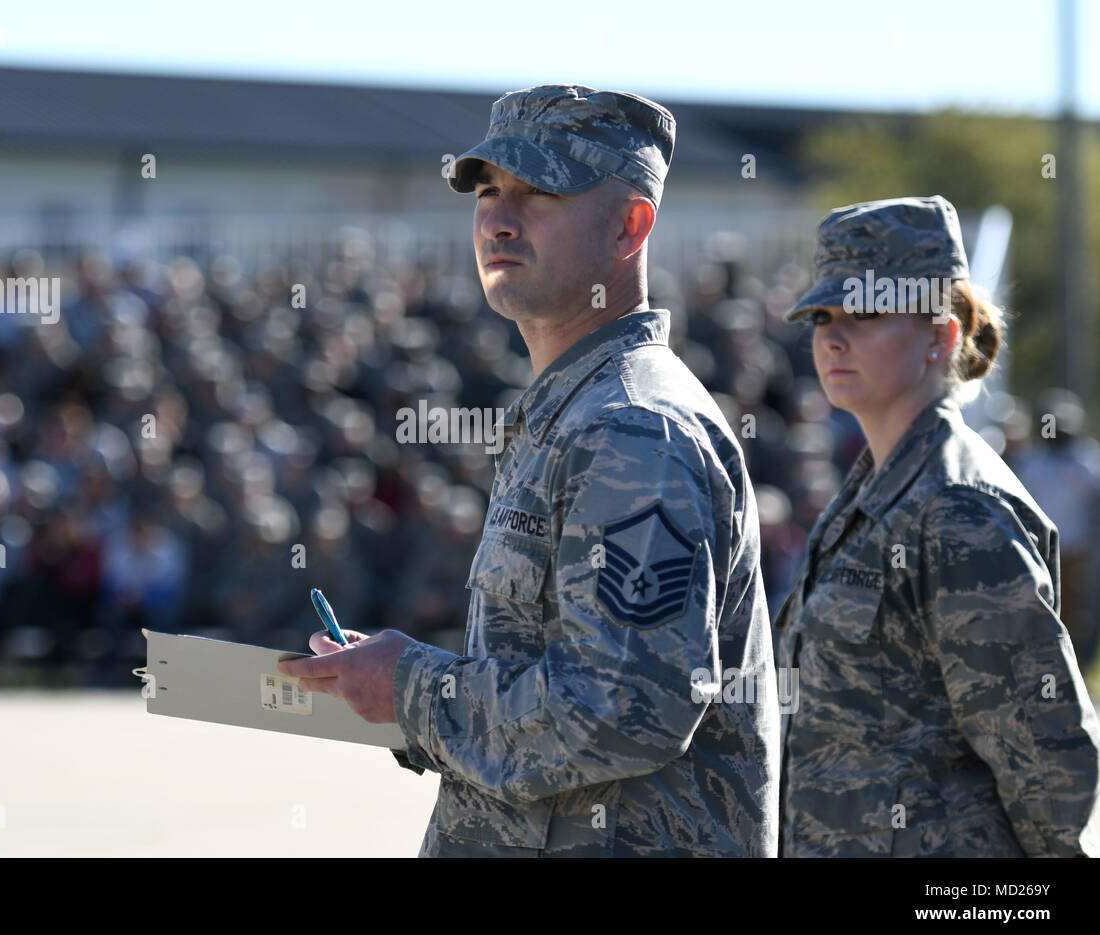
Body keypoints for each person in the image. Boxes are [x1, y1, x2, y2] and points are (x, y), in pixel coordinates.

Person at [280, 84, 778, 856]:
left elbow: (623, 709)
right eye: (488, 191)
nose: (498, 219)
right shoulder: (574, 410)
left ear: (628, 225)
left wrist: (412, 687)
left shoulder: (632, 428)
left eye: (539, 192)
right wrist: (399, 692)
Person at [774, 195, 1100, 857]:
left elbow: (1052, 772)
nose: (833, 336)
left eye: (864, 312)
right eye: (821, 315)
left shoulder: (959, 509)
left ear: (941, 335)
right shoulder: (874, 490)